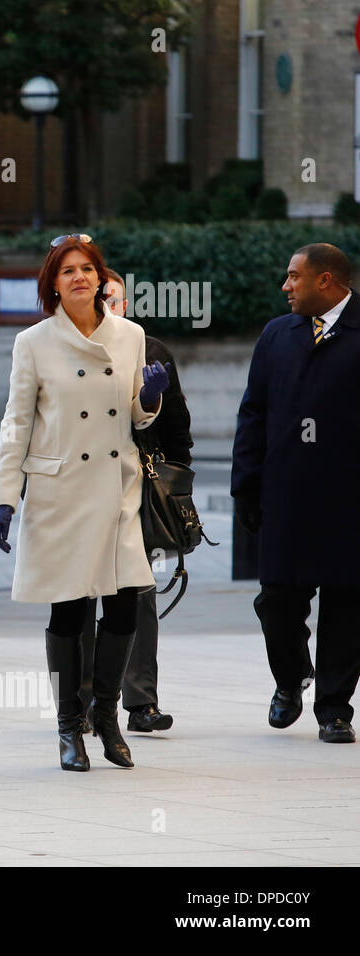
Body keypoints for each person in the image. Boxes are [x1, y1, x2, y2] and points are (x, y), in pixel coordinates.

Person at [0, 235, 170, 772]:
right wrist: (5, 498)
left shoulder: (130, 335)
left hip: (117, 491)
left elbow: (137, 416)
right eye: (67, 271)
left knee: (123, 606)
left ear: (100, 277)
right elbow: (16, 422)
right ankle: (69, 729)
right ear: (52, 283)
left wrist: (152, 399)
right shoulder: (34, 342)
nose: (79, 277)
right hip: (60, 493)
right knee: (68, 610)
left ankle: (108, 717)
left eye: (87, 268)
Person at [232, 242, 360, 744]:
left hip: (349, 501)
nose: (285, 286)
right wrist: (245, 485)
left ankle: (334, 709)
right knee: (277, 601)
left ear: (325, 281)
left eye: (293, 277)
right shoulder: (276, 335)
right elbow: (253, 412)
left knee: (347, 607)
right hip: (285, 495)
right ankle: (289, 681)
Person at [73, 268, 193, 735]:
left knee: (137, 594)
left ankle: (140, 702)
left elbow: (178, 423)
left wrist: (178, 485)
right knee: (76, 597)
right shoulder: (58, 348)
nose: (108, 305)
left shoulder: (151, 350)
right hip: (77, 490)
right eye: (101, 298)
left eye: (115, 298)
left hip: (136, 489)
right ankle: (78, 703)